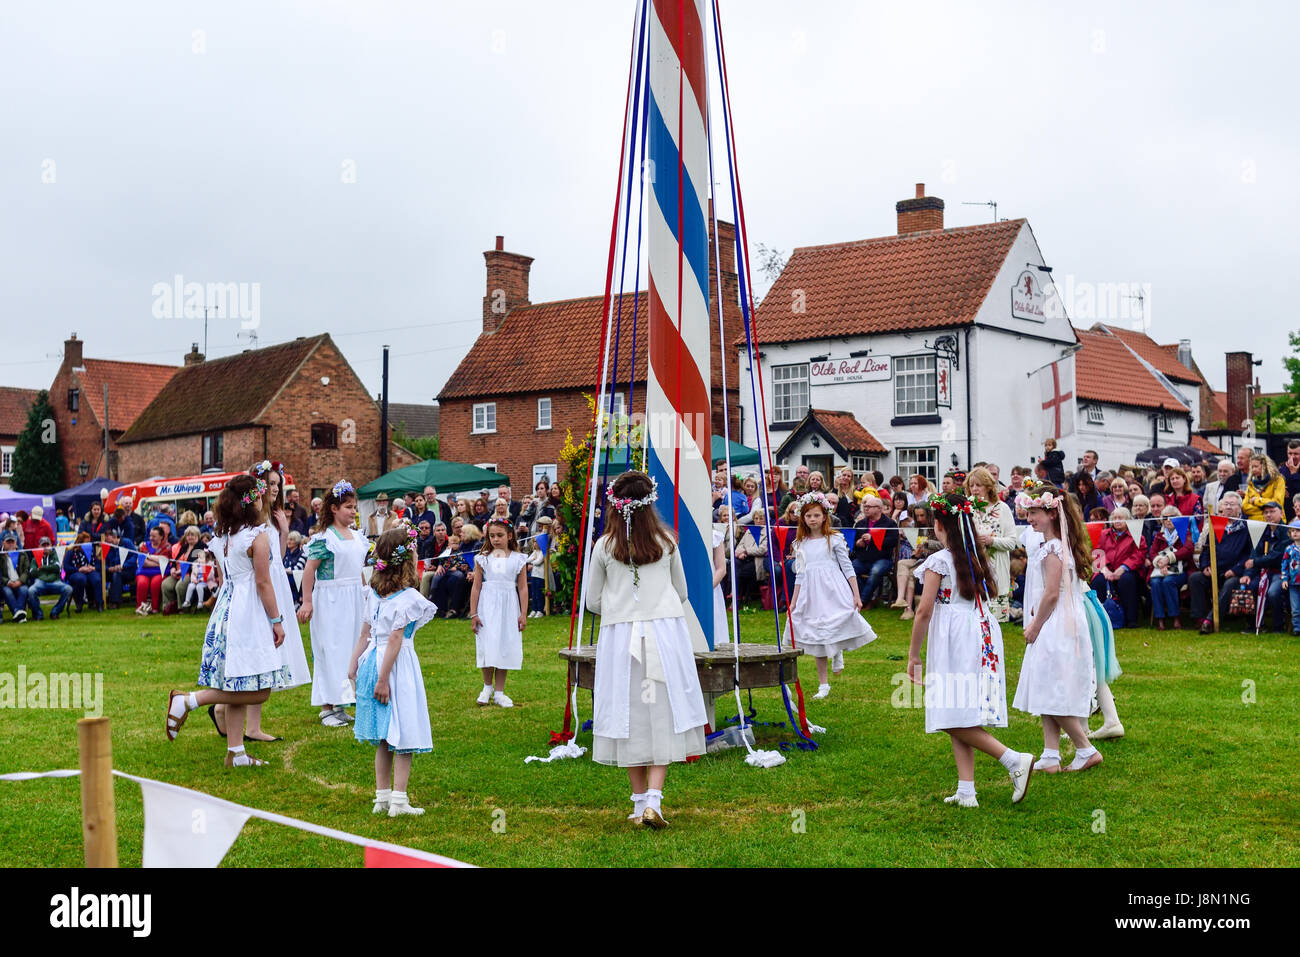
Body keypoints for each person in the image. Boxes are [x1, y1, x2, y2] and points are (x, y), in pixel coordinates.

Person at [586, 471, 709, 828]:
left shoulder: (605, 546)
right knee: (662, 712)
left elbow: (593, 599)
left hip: (621, 636)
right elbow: (681, 591)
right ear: (650, 504)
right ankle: (653, 799)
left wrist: (622, 606)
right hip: (664, 633)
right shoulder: (666, 541)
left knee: (628, 713)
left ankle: (641, 802)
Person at [906, 492, 1034, 808]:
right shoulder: (975, 557)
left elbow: (923, 611)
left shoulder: (938, 561)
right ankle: (966, 790)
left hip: (956, 635)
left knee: (949, 713)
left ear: (939, 526)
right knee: (958, 709)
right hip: (980, 630)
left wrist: (913, 655)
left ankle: (1013, 759)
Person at [165, 475, 290, 768]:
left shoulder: (225, 536)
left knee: (237, 684)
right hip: (247, 613)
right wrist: (277, 620)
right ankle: (189, 700)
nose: (264, 499)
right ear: (252, 501)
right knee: (259, 690)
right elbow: (263, 583)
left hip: (226, 609)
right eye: (259, 495)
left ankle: (236, 752)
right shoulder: (256, 536)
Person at [345, 524, 438, 817]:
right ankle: (397, 800)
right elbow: (396, 638)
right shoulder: (409, 598)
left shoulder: (374, 593)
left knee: (384, 735)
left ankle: (381, 797)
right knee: (403, 731)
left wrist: (354, 664)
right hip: (394, 666)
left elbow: (364, 634)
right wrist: (384, 679)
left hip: (372, 660)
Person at [1012, 480, 1102, 774]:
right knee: (1046, 684)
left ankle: (1085, 748)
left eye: (1035, 512)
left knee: (1051, 685)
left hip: (1057, 620)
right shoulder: (1059, 544)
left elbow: (1052, 593)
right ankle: (1050, 754)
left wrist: (1035, 626)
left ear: (1051, 514)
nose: (1030, 518)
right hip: (1062, 616)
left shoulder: (1053, 547)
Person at [785, 491, 876, 699]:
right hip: (811, 590)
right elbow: (800, 574)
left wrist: (856, 594)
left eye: (816, 515)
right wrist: (793, 602)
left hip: (832, 589)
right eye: (808, 516)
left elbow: (847, 567)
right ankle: (823, 683)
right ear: (803, 518)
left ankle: (837, 652)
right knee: (818, 634)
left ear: (824, 516)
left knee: (836, 622)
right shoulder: (800, 544)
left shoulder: (833, 539)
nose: (812, 520)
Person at [298, 480, 367, 727]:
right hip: (331, 599)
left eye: (354, 507)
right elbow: (309, 571)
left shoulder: (358, 537)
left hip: (354, 598)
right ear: (334, 509)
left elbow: (357, 569)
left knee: (351, 649)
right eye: (348, 506)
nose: (353, 511)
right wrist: (307, 601)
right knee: (330, 648)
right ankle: (326, 706)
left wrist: (364, 592)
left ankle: (340, 702)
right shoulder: (324, 539)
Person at [468, 519, 529, 707]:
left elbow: (523, 588)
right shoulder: (483, 558)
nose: (495, 539)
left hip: (509, 607)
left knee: (504, 644)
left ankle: (500, 692)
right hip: (487, 606)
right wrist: (474, 613)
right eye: (492, 536)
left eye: (500, 535)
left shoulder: (518, 559)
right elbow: (476, 587)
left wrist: (523, 613)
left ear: (509, 536)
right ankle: (487, 687)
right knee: (488, 644)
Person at [1188, 492, 1251, 634]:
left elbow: (1248, 554)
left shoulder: (1246, 528)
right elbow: (1206, 550)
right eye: (1226, 504)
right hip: (1213, 571)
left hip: (1233, 573)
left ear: (1240, 508)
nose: (1228, 507)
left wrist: (1236, 569)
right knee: (1195, 578)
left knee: (1230, 585)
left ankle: (1210, 621)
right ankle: (1199, 618)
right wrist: (1205, 566)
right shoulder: (1217, 525)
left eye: (1232, 504)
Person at [967, 467, 1018, 622]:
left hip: (997, 573)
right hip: (972, 571)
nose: (974, 489)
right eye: (971, 486)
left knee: (994, 624)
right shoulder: (966, 508)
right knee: (972, 625)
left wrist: (992, 541)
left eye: (979, 485)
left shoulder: (1002, 508)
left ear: (989, 486)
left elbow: (1012, 542)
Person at [1238, 500, 1288, 633]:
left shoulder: (1286, 532)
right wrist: (1247, 575)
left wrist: (1255, 562)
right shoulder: (1262, 532)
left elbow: (1277, 556)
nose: (1269, 515)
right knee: (1249, 586)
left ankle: (1279, 626)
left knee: (1273, 592)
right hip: (1263, 572)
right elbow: (1254, 554)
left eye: (1272, 511)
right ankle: (1254, 625)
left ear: (1281, 513)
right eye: (1266, 512)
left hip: (1280, 572)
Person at [1091, 507, 1144, 627]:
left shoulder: (1136, 535)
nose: (1117, 520)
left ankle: (1130, 620)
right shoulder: (1104, 534)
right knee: (1098, 581)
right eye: (1114, 518)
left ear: (1128, 520)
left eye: (1121, 518)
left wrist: (1122, 569)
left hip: (1127, 570)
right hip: (1106, 569)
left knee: (1126, 581)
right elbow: (1097, 552)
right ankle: (1099, 619)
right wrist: (1105, 570)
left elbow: (1138, 554)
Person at [1147, 506, 1193, 631]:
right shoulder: (1159, 535)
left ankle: (1175, 616)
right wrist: (1160, 563)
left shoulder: (1185, 532)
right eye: (1165, 518)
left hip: (1180, 571)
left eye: (1172, 517)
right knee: (1155, 582)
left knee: (1168, 582)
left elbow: (1188, 550)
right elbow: (1152, 553)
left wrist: (1169, 558)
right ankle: (1160, 619)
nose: (1168, 520)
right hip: (1160, 570)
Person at [851, 493, 898, 607]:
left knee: (876, 572)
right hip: (863, 558)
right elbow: (853, 541)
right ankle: (868, 598)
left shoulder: (890, 523)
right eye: (865, 506)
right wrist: (858, 543)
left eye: (869, 507)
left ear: (879, 509)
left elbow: (893, 541)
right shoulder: (861, 523)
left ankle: (862, 600)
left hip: (882, 558)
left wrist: (873, 538)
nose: (865, 508)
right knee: (849, 571)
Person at [161, 525, 202, 614]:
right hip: (178, 573)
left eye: (192, 535)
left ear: (198, 536)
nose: (190, 537)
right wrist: (172, 569)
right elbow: (174, 560)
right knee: (166, 584)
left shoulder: (200, 547)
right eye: (188, 535)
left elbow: (193, 565)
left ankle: (182, 608)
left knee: (180, 586)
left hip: (192, 574)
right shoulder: (183, 547)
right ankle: (168, 607)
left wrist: (179, 571)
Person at [62, 532, 102, 612]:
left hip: (90, 571)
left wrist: (93, 568)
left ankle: (99, 603)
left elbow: (99, 564)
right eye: (86, 543)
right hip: (75, 572)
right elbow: (66, 567)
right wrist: (79, 569)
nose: (88, 544)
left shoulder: (92, 551)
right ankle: (79, 604)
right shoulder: (71, 552)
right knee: (80, 579)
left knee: (96, 579)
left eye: (89, 542)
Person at [1240, 454, 1285, 522]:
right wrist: (1267, 510)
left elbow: (1277, 503)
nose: (1253, 469)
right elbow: (1245, 507)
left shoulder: (1278, 480)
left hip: (1274, 522)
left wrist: (1257, 500)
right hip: (1255, 523)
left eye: (1256, 466)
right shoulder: (1251, 483)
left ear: (1265, 466)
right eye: (1252, 467)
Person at [100, 527, 136, 608]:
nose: (108, 543)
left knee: (117, 575)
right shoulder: (107, 546)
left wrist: (123, 566)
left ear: (115, 537)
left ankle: (115, 602)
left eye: (109, 541)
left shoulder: (127, 542)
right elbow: (103, 561)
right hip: (112, 570)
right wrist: (108, 568)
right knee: (98, 574)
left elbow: (134, 556)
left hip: (128, 570)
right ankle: (97, 601)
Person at [1, 533, 33, 623]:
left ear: (16, 543)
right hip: (6, 584)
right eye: (8, 542)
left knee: (24, 590)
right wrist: (7, 582)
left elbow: (27, 570)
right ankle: (19, 615)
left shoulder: (22, 554)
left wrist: (20, 581)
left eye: (12, 542)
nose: (11, 544)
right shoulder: (1, 555)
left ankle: (17, 614)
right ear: (3, 543)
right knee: (8, 592)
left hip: (20, 582)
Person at [1280, 519, 1300, 635]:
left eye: (1298, 530)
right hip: (1293, 583)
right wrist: (1284, 579)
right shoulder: (1289, 549)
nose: (1295, 533)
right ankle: (1297, 628)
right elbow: (1284, 565)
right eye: (1293, 531)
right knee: (1295, 608)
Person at [1278, 441, 1300, 521]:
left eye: (1296, 454)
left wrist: (1294, 474)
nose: (1292, 457)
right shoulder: (1281, 469)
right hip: (1285, 512)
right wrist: (1280, 489)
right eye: (1290, 453)